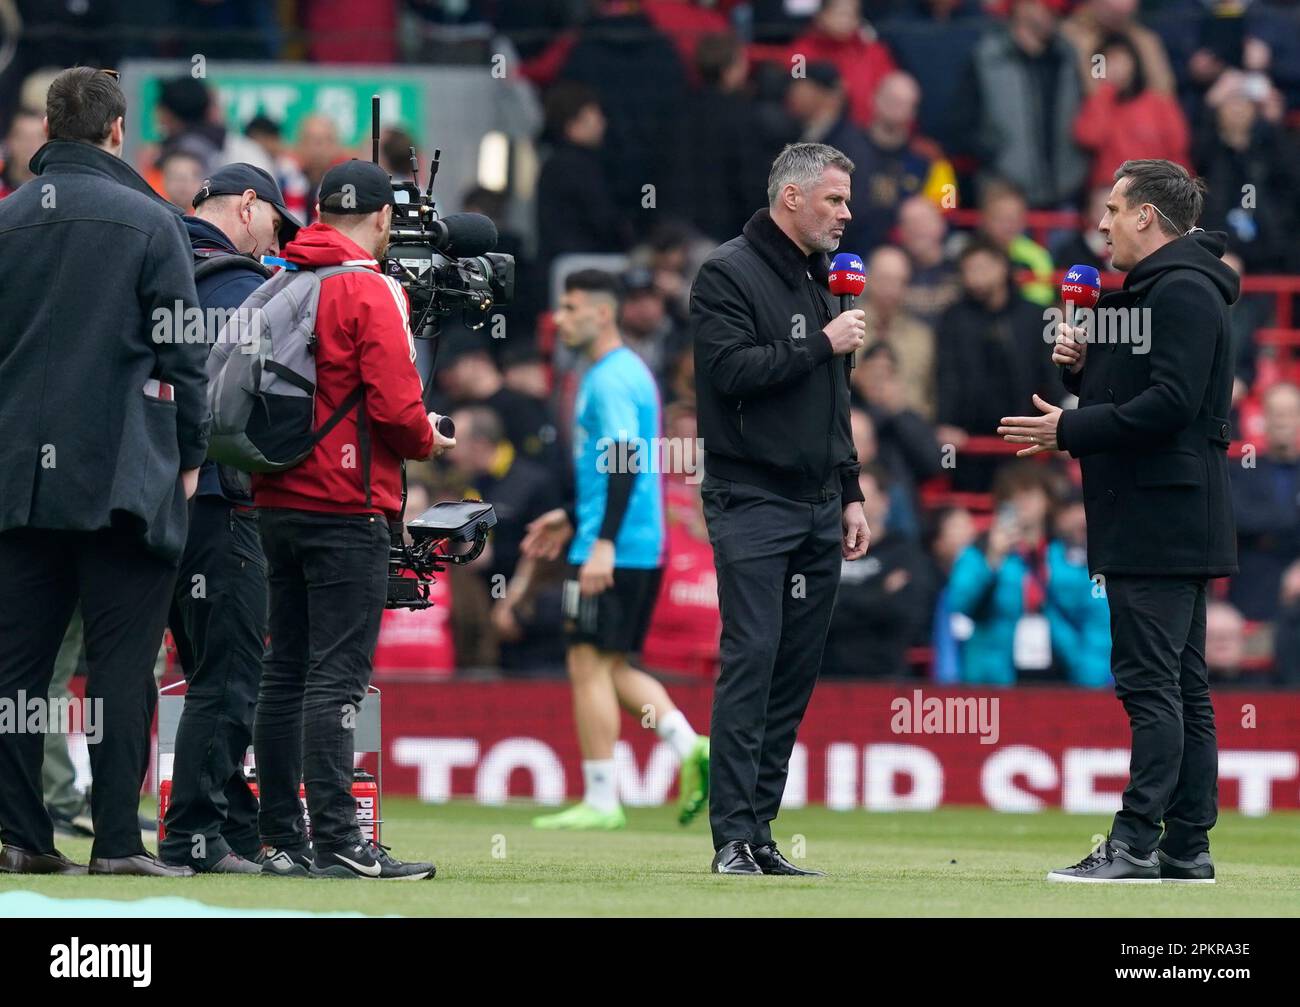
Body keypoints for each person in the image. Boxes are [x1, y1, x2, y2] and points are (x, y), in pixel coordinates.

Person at [1000, 158, 1238, 883]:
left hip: (1158, 517)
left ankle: (1135, 841)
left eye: (1112, 209)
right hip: (1168, 512)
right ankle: (1186, 843)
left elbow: (1170, 404)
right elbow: (1150, 387)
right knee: (1181, 685)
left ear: (1146, 216)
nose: (1100, 224)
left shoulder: (1184, 292)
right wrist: (1083, 367)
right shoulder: (1164, 290)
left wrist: (1069, 428)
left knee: (1150, 685)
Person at [0, 67, 207, 877]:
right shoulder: (152, 222)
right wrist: (189, 459)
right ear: (118, 131)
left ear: (47, 128)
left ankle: (21, 835)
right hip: (124, 478)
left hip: (19, 483)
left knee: (17, 673)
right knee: (123, 669)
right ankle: (118, 842)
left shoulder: (9, 222)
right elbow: (184, 353)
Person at [250, 160, 454, 880]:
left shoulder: (282, 278)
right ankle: (339, 838)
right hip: (346, 503)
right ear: (381, 220)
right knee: (337, 677)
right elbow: (399, 415)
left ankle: (280, 840)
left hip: (274, 498)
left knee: (284, 673)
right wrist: (432, 437)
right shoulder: (369, 289)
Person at [690, 142, 870, 875]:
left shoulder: (822, 278)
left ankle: (760, 831)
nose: (846, 213)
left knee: (792, 670)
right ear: (790, 198)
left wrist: (852, 490)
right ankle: (731, 835)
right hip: (752, 497)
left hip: (819, 502)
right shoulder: (726, 272)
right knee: (752, 658)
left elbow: (835, 403)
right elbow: (730, 372)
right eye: (834, 199)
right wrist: (821, 344)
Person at [517, 270, 710, 831]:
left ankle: (603, 798)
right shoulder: (630, 374)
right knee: (609, 663)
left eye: (573, 307)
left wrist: (599, 542)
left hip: (614, 545)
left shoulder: (608, 378)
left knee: (587, 664)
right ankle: (689, 747)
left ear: (603, 314)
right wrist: (574, 515)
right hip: (631, 540)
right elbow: (628, 467)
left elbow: (626, 461)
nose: (562, 318)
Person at [159, 164, 302, 875]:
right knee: (230, 673)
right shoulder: (246, 288)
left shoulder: (163, 263)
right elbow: (262, 406)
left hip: (165, 502)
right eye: (277, 225)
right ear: (249, 206)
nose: (276, 246)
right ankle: (195, 834)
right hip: (223, 498)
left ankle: (236, 832)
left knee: (208, 670)